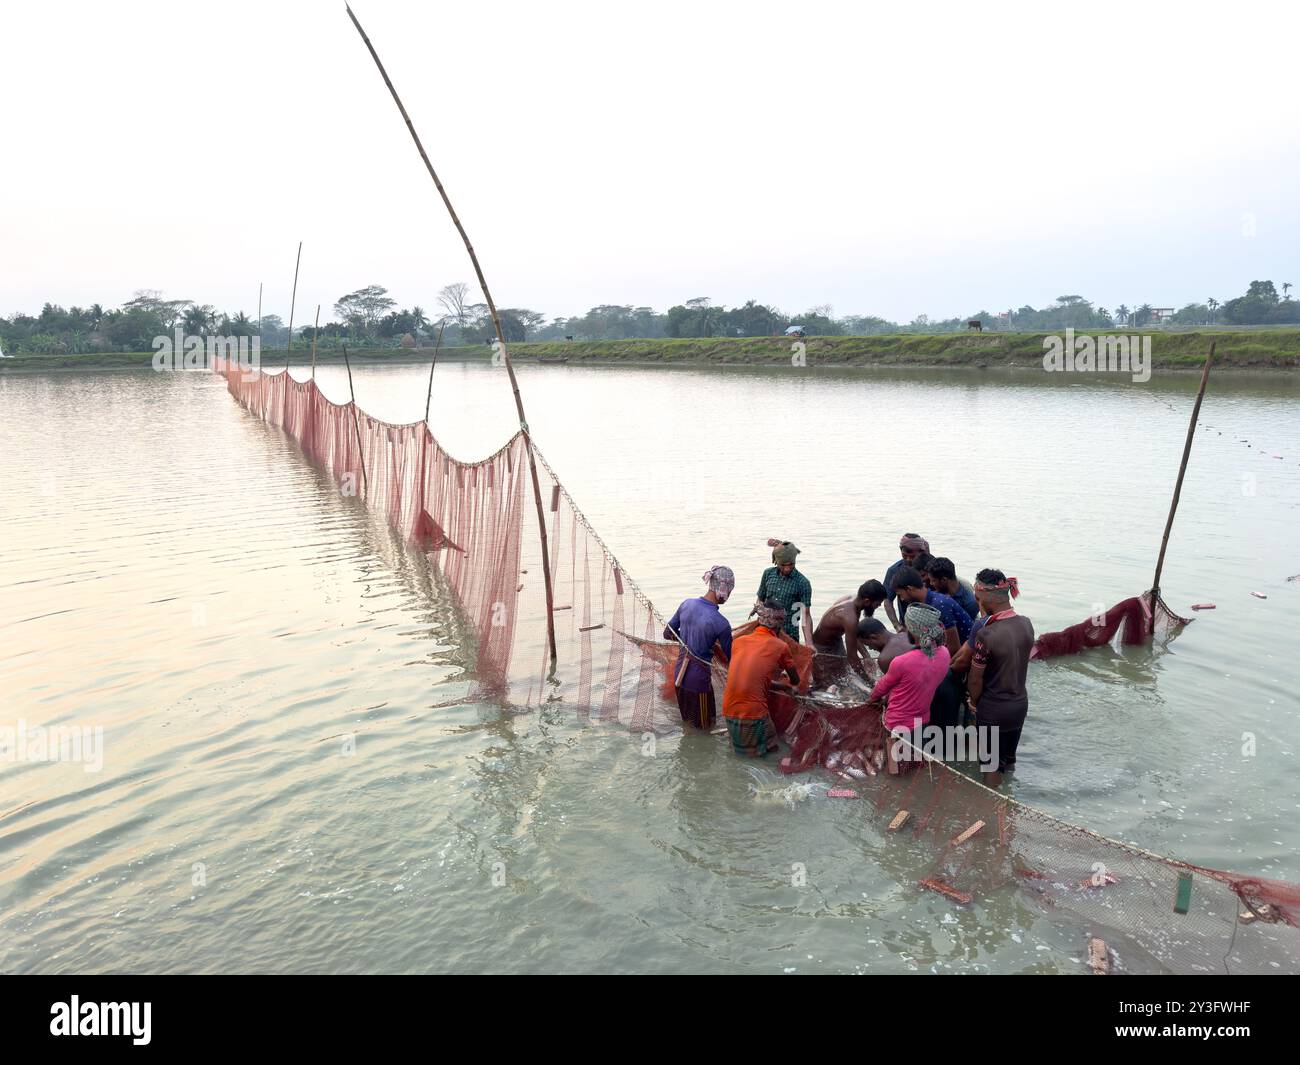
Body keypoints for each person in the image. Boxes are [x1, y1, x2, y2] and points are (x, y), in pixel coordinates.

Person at [966, 569, 1032, 786]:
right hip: (1019, 705)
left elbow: (975, 679)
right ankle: (1009, 796)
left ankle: (991, 804)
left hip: (993, 709)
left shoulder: (987, 634)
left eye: (977, 597)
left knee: (991, 766)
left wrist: (974, 704)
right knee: (1008, 761)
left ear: (985, 597)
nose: (977, 602)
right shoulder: (1026, 624)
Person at [866, 603, 950, 774]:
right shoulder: (944, 653)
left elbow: (881, 688)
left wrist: (871, 700)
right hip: (923, 720)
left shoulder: (902, 662)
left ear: (913, 630)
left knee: (895, 770)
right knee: (916, 765)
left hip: (897, 724)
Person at [721, 601, 799, 758]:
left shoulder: (738, 641)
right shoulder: (781, 646)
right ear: (778, 626)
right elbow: (795, 680)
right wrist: (791, 687)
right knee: (761, 756)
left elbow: (753, 679)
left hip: (728, 710)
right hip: (753, 714)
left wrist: (784, 688)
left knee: (757, 749)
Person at [663, 565, 735, 730]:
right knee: (705, 729)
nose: (728, 596)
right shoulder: (721, 623)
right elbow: (732, 659)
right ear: (723, 590)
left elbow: (667, 633)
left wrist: (689, 640)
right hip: (698, 683)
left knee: (688, 724)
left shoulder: (686, 604)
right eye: (730, 592)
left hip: (679, 677)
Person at [811, 580, 887, 682]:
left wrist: (866, 656)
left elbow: (853, 635)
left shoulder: (852, 599)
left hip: (836, 641)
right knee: (827, 682)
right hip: (821, 648)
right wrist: (869, 681)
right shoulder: (850, 618)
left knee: (844, 675)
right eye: (877, 603)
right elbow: (852, 658)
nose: (879, 606)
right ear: (867, 601)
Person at [891, 566, 972, 651]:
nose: (901, 599)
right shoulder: (925, 603)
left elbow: (954, 648)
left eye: (900, 595)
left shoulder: (939, 606)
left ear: (909, 589)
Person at [754, 538, 812, 642]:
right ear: (776, 561)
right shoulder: (768, 574)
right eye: (783, 565)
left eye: (791, 564)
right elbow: (760, 599)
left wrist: (809, 642)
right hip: (766, 632)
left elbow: (806, 615)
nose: (787, 568)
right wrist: (758, 608)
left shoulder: (803, 583)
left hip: (789, 634)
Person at [883, 533, 929, 631]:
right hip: (907, 625)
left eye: (913, 556)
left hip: (931, 620)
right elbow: (887, 600)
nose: (908, 560)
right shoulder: (894, 570)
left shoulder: (928, 567)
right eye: (905, 556)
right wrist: (897, 626)